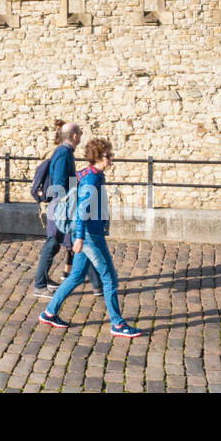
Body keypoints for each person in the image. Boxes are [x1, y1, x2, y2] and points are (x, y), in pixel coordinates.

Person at [39, 138, 143, 338]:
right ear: (98, 157)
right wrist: (78, 238)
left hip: (89, 233)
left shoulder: (87, 173)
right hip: (90, 236)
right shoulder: (92, 179)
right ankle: (117, 324)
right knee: (110, 279)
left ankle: (49, 312)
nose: (111, 159)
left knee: (76, 276)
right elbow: (81, 211)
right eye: (108, 156)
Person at [32, 120, 81, 296]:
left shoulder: (66, 152)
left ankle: (43, 280)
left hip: (63, 204)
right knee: (52, 243)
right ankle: (39, 285)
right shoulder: (63, 153)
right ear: (74, 136)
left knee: (54, 244)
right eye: (80, 133)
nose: (81, 136)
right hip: (60, 205)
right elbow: (60, 183)